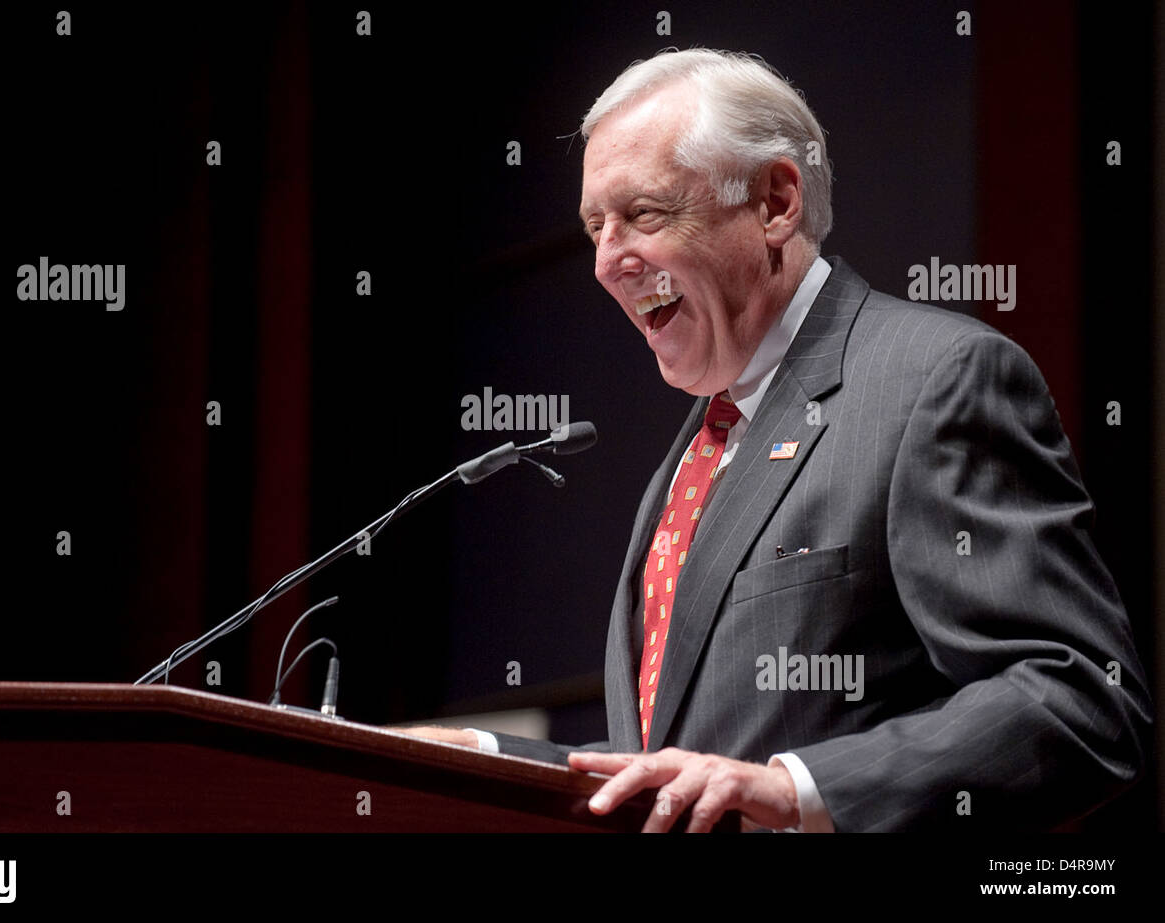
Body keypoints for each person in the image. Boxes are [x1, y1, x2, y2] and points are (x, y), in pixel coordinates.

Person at [404, 48, 1152, 832]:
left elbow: (1080, 701)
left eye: (645, 213)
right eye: (596, 226)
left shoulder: (934, 380)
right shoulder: (698, 449)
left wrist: (796, 791)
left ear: (775, 201)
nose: (605, 262)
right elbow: (688, 770)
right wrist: (481, 756)